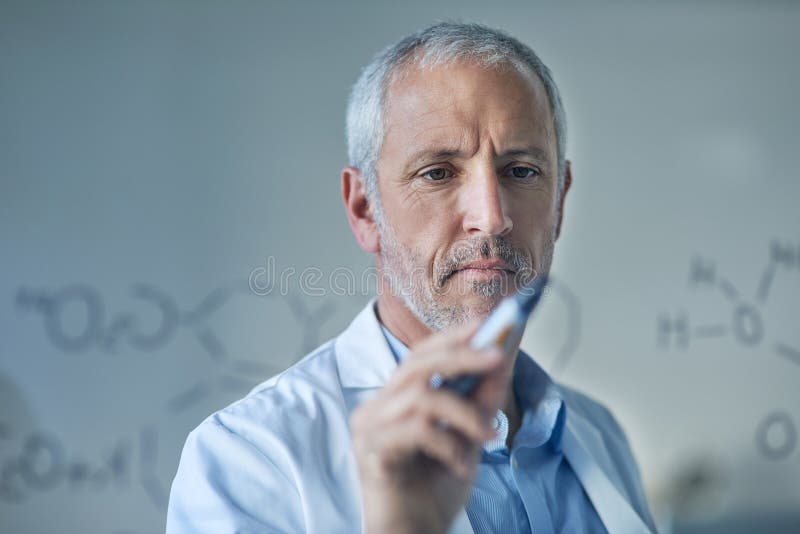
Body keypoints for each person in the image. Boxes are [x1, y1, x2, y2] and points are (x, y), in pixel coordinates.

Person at [167, 22, 656, 534]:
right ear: (364, 209)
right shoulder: (250, 460)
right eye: (438, 173)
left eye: (522, 171)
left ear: (560, 202)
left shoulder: (600, 435)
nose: (491, 217)